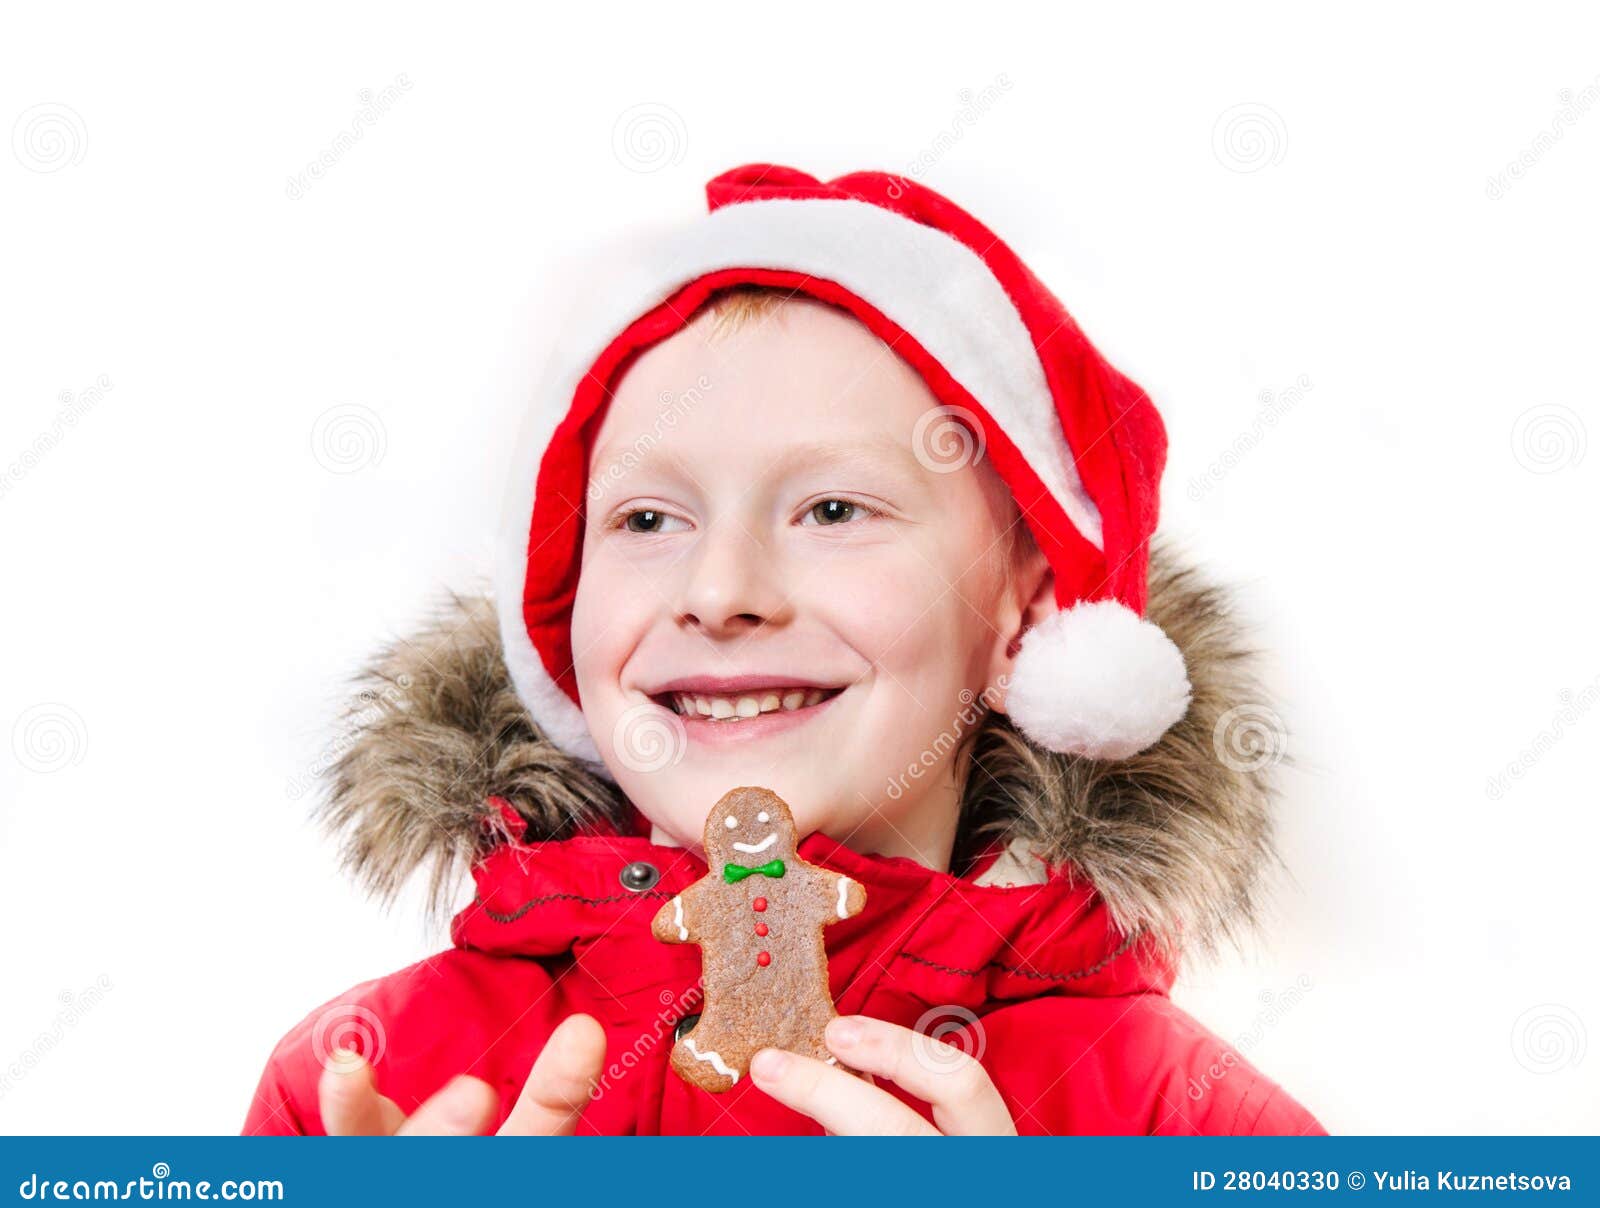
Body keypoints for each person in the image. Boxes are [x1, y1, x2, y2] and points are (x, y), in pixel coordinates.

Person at [242, 164, 1325, 1136]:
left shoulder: (1178, 1123)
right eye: (647, 521)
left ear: (1027, 619)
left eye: (834, 508)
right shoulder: (371, 1087)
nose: (720, 593)